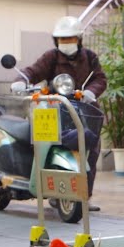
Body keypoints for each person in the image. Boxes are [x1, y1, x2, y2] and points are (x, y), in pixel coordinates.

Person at [19, 15, 107, 205]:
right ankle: (53, 189)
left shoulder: (90, 58)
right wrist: (22, 80)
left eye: (71, 38)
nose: (66, 42)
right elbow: (33, 71)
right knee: (52, 147)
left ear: (79, 39)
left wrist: (91, 92)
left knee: (90, 150)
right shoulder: (51, 57)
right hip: (55, 109)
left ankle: (85, 197)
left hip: (84, 110)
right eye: (62, 39)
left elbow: (100, 78)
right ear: (56, 40)